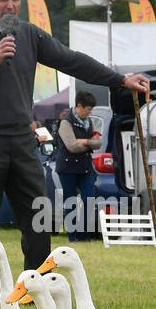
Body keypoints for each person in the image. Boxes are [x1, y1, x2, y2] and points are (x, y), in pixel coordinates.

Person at [0, 0, 149, 306]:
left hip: (23, 140)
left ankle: (33, 288)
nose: (10, 6)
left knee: (38, 218)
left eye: (15, 0)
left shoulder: (29, 35)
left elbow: (72, 61)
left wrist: (120, 79)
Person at [55, 91, 104, 241]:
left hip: (85, 167)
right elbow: (72, 146)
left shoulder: (90, 122)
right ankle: (73, 236)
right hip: (67, 168)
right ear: (79, 106)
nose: (90, 112)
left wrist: (84, 142)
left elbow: (98, 143)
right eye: (88, 109)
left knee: (89, 199)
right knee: (70, 202)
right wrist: (89, 143)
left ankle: (84, 235)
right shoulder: (65, 122)